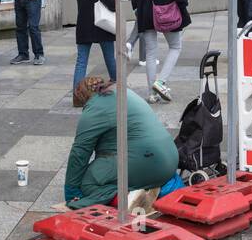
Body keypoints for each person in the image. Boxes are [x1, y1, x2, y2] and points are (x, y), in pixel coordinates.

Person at [64, 77, 178, 209]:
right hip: (168, 162)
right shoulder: (124, 91)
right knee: (104, 169)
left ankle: (129, 198)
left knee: (89, 182)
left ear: (85, 99)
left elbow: (80, 152)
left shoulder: (95, 107)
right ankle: (154, 187)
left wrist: (71, 190)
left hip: (148, 161)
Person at [131, 0, 190, 102]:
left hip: (145, 11)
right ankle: (161, 82)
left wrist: (136, 8)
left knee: (151, 52)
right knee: (175, 46)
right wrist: (183, 5)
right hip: (165, 9)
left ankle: (152, 94)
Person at [72, 0, 117, 88]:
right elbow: (112, 6)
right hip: (102, 26)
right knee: (110, 58)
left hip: (83, 25)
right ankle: (117, 85)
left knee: (81, 61)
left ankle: (77, 94)